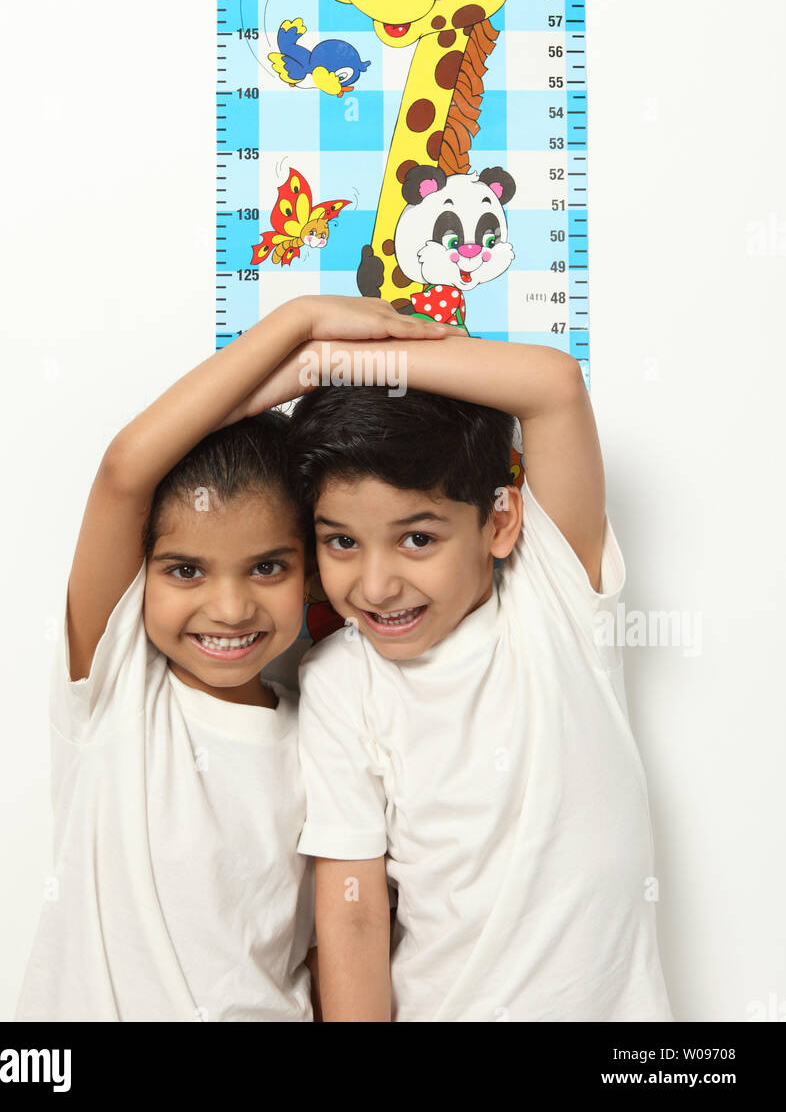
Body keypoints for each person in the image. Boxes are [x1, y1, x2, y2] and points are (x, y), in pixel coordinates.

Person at [15, 295, 446, 1021]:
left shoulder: (328, 729)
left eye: (266, 569)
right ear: (141, 576)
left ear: (310, 570)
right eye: (185, 570)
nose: (230, 608)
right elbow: (126, 468)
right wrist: (298, 330)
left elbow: (323, 948)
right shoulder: (115, 691)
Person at [280, 331, 675, 1022]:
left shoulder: (554, 600)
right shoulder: (341, 683)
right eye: (342, 541)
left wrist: (334, 364)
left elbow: (553, 387)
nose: (375, 585)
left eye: (418, 538)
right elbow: (354, 915)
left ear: (499, 523)